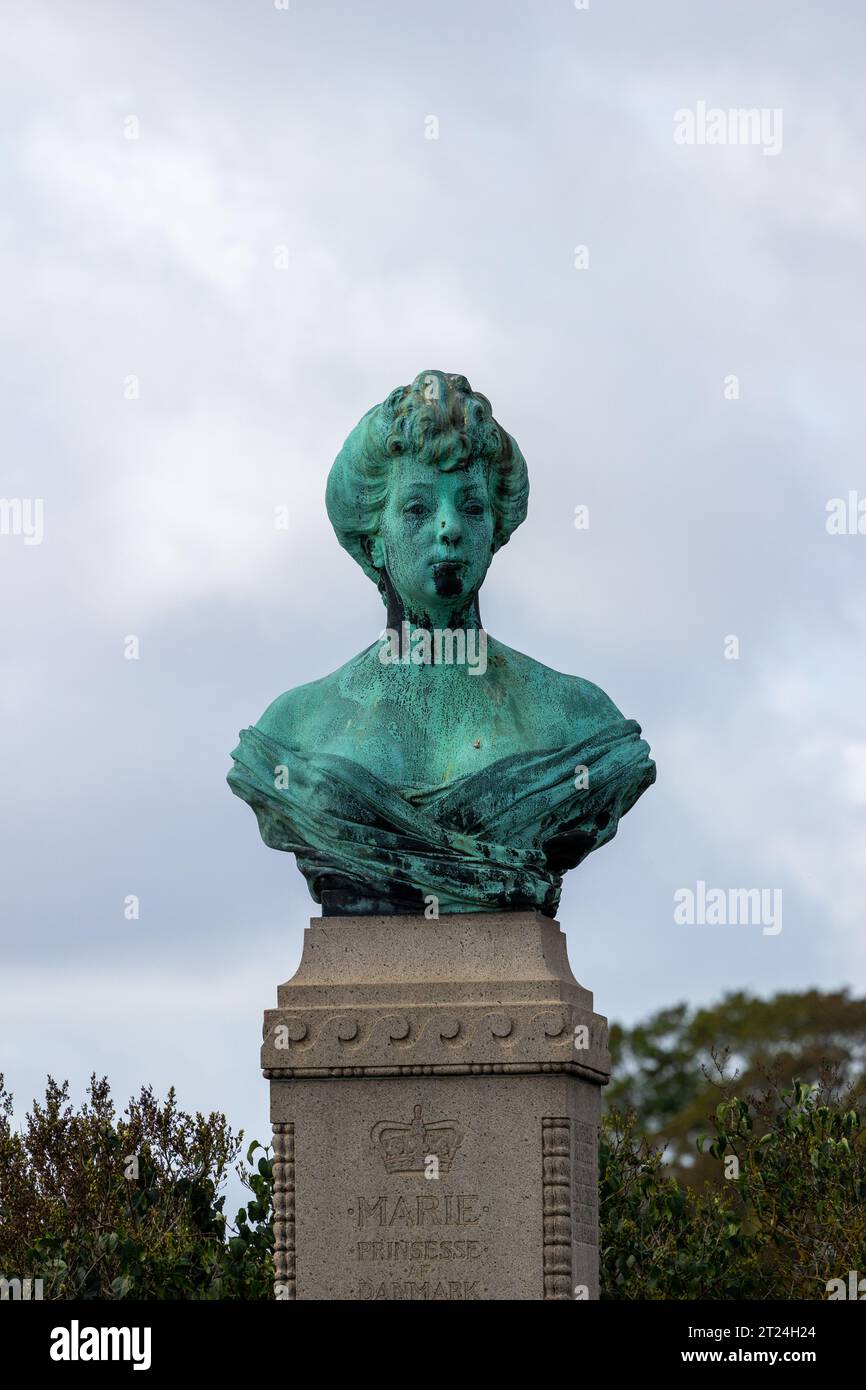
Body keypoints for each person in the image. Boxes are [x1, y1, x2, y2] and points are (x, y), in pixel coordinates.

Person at [228, 371, 655, 917]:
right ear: (373, 539)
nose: (449, 527)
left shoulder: (579, 721)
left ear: (495, 531)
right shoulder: (294, 729)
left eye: (471, 507)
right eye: (418, 508)